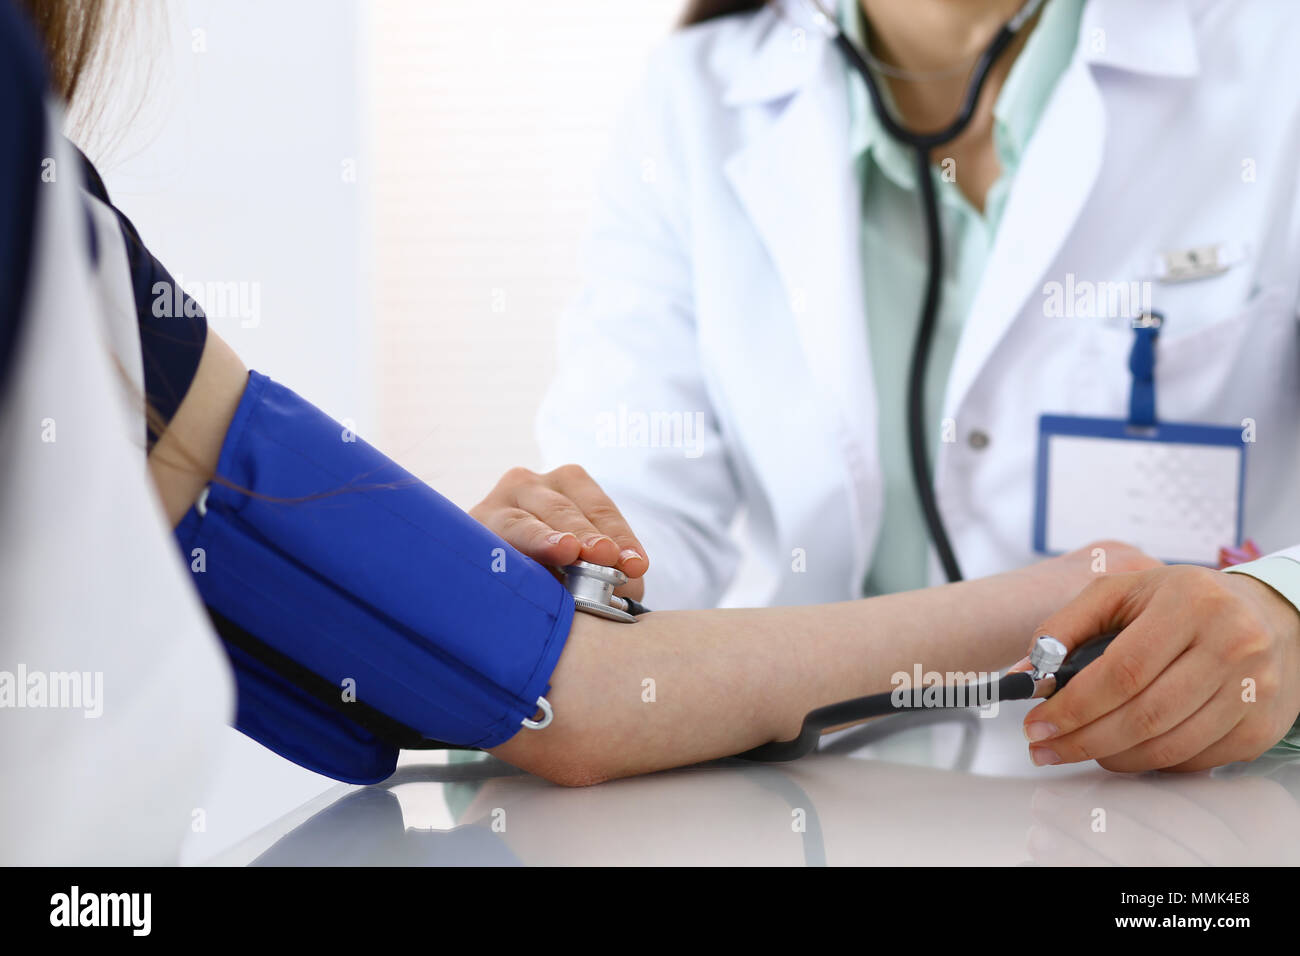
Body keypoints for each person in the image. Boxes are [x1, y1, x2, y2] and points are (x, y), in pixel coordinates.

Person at [1, 0, 1175, 865]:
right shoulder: (701, 98)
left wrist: (1265, 601)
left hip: (1179, 803)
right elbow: (577, 679)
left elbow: (565, 682)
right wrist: (1100, 592)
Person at [474, 0, 1300, 771]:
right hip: (821, 809)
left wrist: (1283, 608)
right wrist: (554, 552)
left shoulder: (1273, 59)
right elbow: (635, 543)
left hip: (1172, 818)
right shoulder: (693, 99)